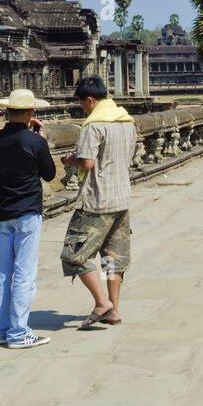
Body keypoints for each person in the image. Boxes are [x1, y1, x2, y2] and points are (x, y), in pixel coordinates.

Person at [59, 75, 138, 328]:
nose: (83, 108)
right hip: (122, 198)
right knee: (112, 257)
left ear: (90, 100)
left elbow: (87, 163)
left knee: (74, 255)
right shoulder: (127, 121)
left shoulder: (93, 125)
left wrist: (70, 161)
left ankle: (102, 303)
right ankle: (114, 309)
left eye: (82, 103)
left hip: (96, 201)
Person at [0, 87, 56, 349]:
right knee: (25, 274)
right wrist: (41, 138)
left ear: (7, 110)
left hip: (3, 212)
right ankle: (18, 333)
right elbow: (49, 175)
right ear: (31, 113)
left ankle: (2, 329)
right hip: (27, 212)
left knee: (1, 274)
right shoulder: (35, 141)